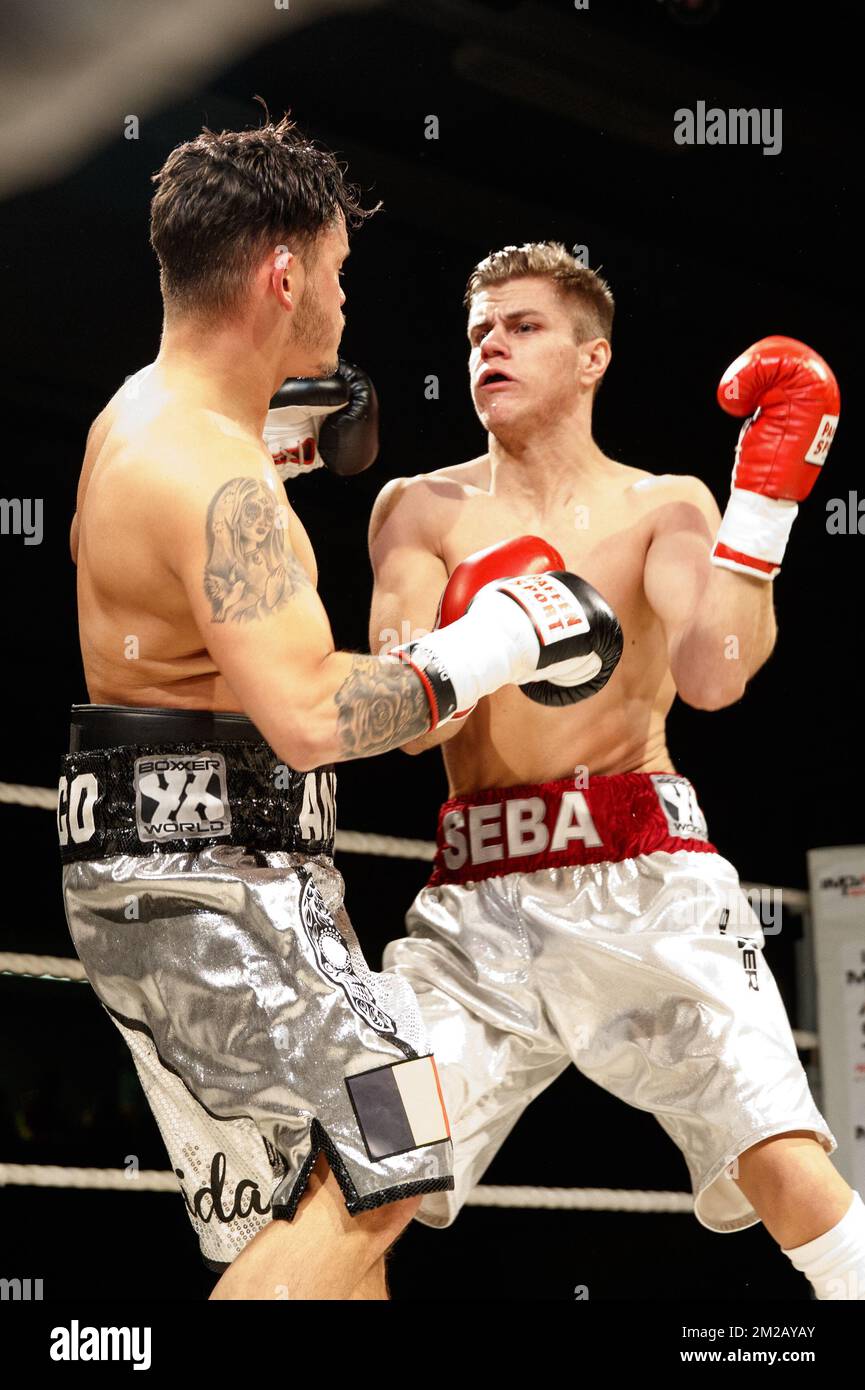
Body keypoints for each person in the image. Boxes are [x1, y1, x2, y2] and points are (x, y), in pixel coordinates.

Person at [58, 130, 621, 1301]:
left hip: (170, 868)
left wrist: (282, 442)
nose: (346, 296)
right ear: (284, 276)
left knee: (323, 1214)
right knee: (402, 1147)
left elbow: (191, 546)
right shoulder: (213, 475)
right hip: (220, 879)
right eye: (340, 269)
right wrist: (498, 640)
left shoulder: (139, 417)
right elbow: (311, 712)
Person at [369, 241, 865, 1300]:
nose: (489, 344)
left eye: (522, 325)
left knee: (784, 1163)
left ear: (592, 357)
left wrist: (761, 511)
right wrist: (488, 635)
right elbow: (398, 722)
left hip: (649, 885)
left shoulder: (664, 503)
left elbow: (715, 675)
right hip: (469, 921)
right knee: (365, 1173)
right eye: (476, 332)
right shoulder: (418, 509)